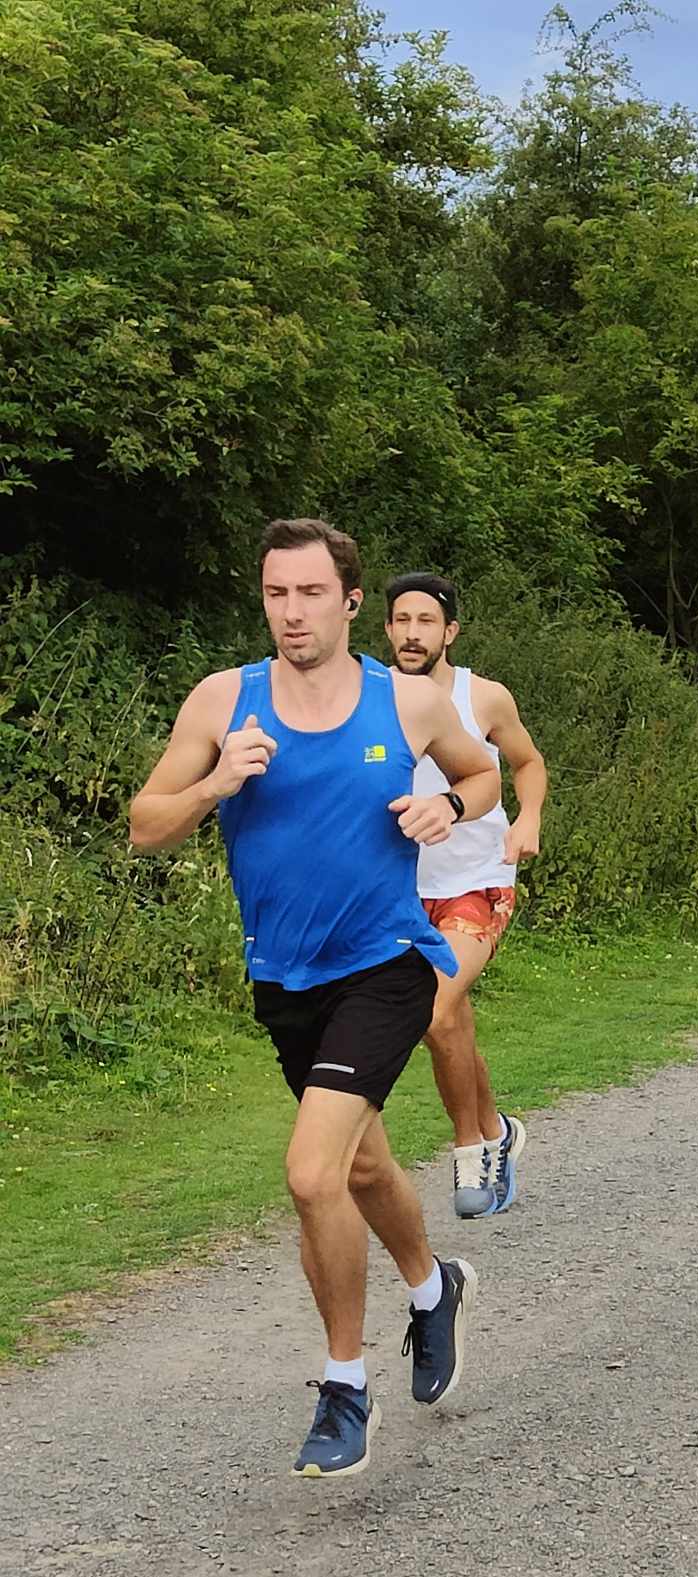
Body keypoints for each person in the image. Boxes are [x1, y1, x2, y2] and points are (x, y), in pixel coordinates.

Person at [128, 519, 503, 1479]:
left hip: (386, 965)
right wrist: (217, 782)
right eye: (275, 594)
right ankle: (435, 1290)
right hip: (284, 981)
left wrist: (447, 806)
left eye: (310, 594)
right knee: (362, 1166)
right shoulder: (225, 700)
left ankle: (344, 1388)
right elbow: (146, 824)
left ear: (349, 602)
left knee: (310, 1174)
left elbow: (483, 770)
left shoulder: (407, 701)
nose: (291, 613)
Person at [386, 572, 547, 1219]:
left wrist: (528, 819)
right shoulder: (373, 698)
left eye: (426, 621)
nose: (412, 633)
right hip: (401, 890)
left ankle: (470, 1150)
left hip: (477, 881)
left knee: (433, 1009)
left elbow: (527, 762)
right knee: (446, 1022)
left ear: (449, 632)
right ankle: (498, 1131)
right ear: (387, 628)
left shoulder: (483, 697)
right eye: (402, 620)